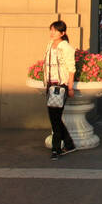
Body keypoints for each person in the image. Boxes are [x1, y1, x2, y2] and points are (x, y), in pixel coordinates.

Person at [43, 19, 78, 159]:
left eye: (55, 30)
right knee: (55, 118)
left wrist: (70, 87)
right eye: (51, 30)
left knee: (55, 119)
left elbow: (71, 69)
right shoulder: (50, 45)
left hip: (60, 86)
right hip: (50, 85)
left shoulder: (67, 47)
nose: (52, 33)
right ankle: (69, 144)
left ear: (62, 33)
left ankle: (56, 149)